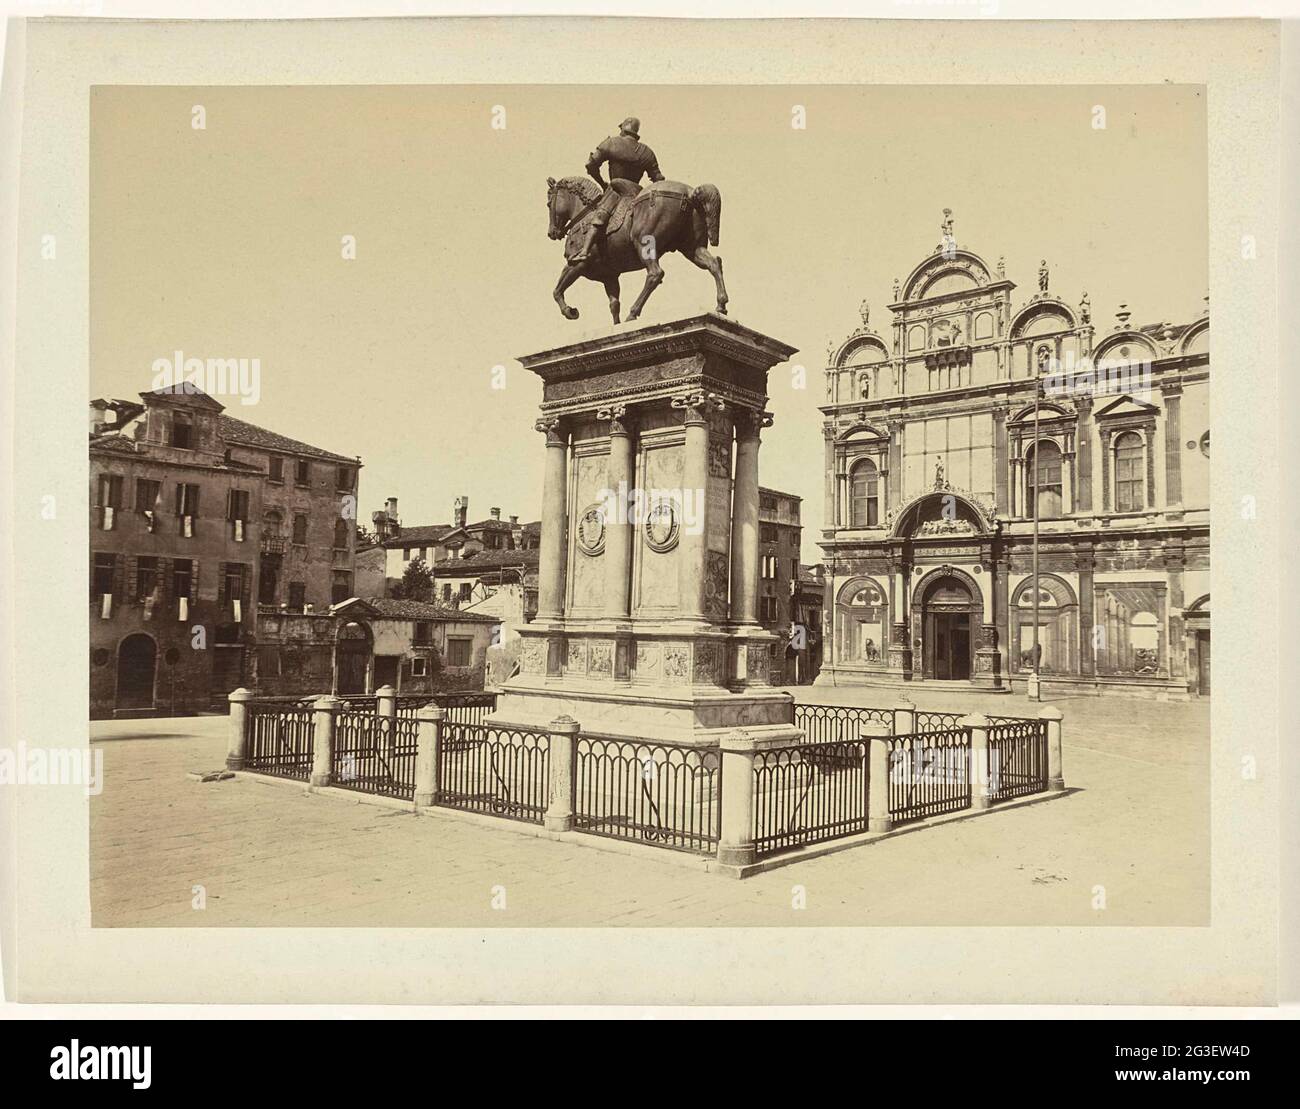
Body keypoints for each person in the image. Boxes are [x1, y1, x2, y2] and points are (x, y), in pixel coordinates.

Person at [572, 116, 665, 264]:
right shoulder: (647, 152)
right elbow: (658, 178)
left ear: (623, 128)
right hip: (637, 193)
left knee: (600, 217)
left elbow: (591, 165)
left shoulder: (612, 143)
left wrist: (602, 182)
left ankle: (584, 251)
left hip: (616, 190)